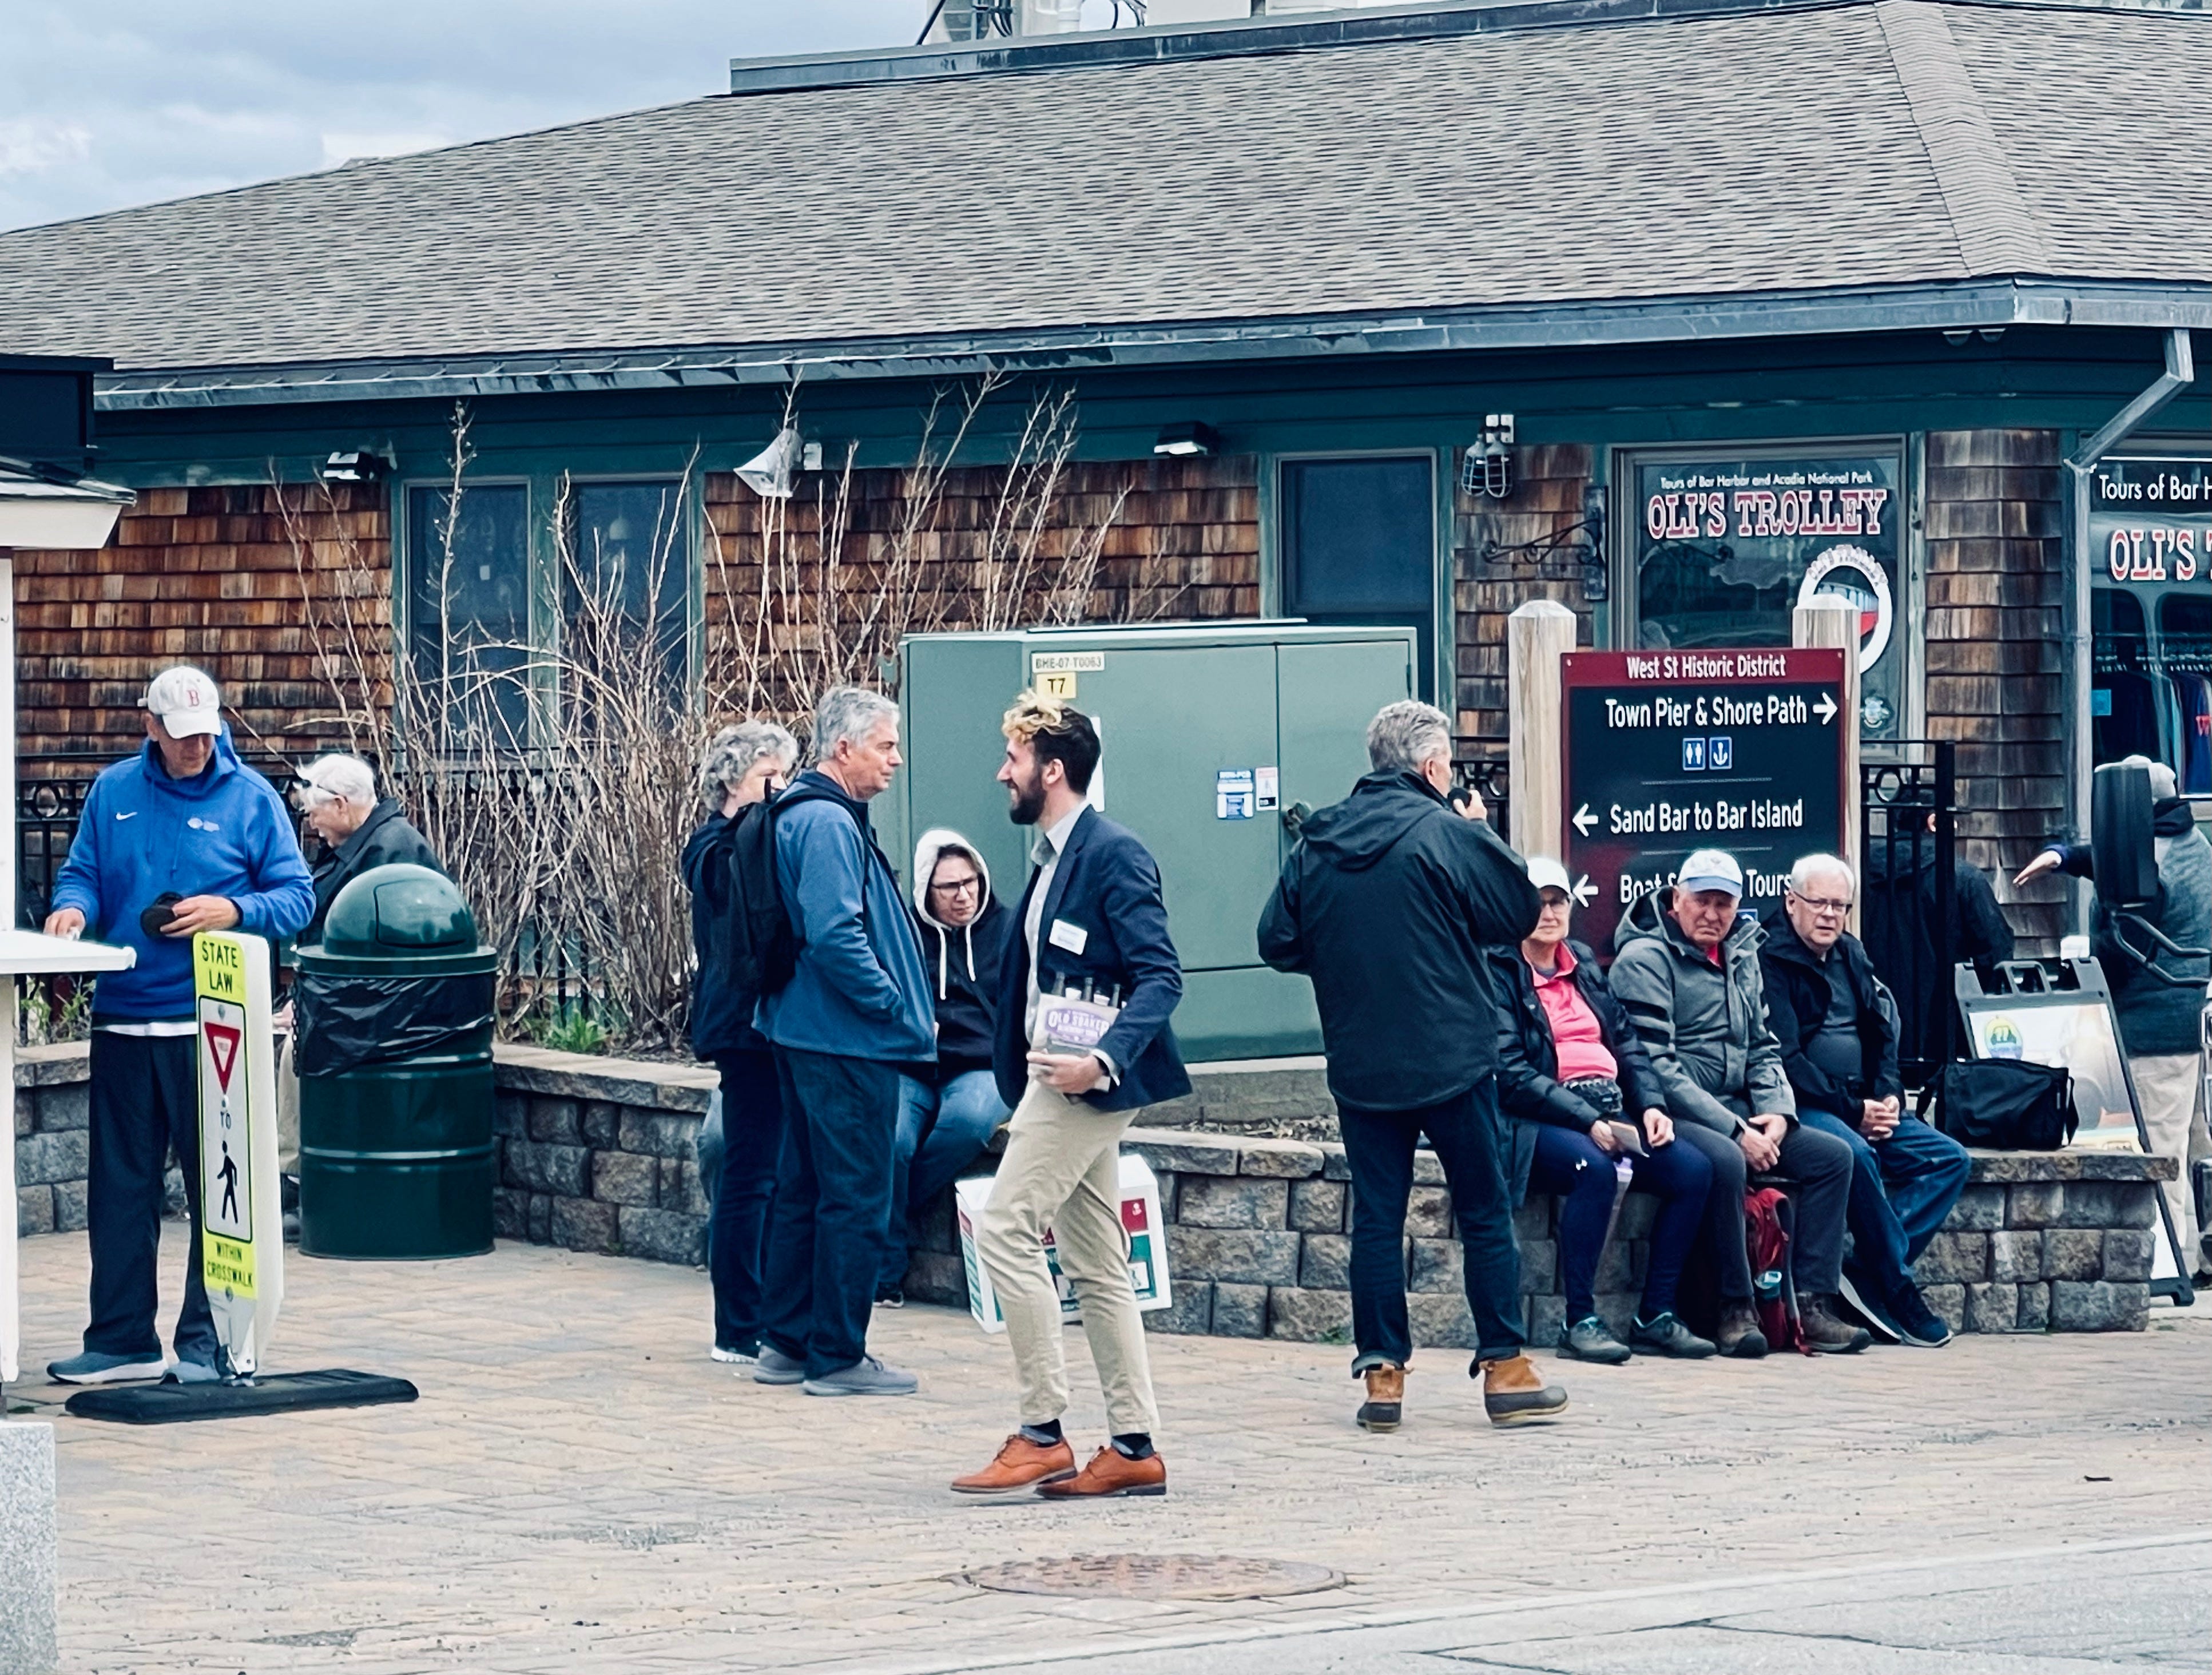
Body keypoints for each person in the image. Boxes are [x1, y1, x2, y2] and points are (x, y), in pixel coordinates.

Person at [1258, 699, 1566, 1435]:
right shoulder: (1445, 833)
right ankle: (1505, 1369)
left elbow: (1276, 939)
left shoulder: (1317, 842)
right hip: (1453, 1057)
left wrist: (1343, 962)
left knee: (1377, 1219)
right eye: (1449, 765)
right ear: (1431, 768)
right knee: (1484, 1211)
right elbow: (1519, 910)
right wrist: (1479, 829)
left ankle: (1383, 1377)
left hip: (1362, 1062)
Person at [43, 666, 316, 1386]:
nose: (198, 746)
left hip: (212, 1026)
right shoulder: (113, 793)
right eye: (183, 734)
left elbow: (297, 897)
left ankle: (206, 1344)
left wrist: (236, 911)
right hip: (124, 1018)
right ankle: (120, 1339)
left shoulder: (251, 798)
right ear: (151, 726)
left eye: (207, 732)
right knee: (120, 1190)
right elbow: (82, 874)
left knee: (217, 1191)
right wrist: (72, 910)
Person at [953, 692, 1188, 1499]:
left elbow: (1161, 977)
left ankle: (1041, 1432)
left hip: (1082, 1084)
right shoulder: (1054, 856)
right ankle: (1133, 1445)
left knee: (1005, 1229)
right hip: (1056, 1077)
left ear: (1051, 770)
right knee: (1096, 1262)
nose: (1002, 774)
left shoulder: (1112, 854)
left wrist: (1102, 1063)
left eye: (1013, 760)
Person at [1609, 849, 1868, 1356]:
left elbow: (1764, 1047)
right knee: (1727, 1160)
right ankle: (1735, 1308)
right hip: (1671, 1113)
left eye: (1723, 904)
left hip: (1743, 1107)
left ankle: (1812, 1305)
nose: (1712, 914)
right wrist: (1735, 1130)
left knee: (1833, 1157)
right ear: (1676, 900)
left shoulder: (1743, 954)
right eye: (1701, 901)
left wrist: (1778, 1112)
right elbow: (1657, 1066)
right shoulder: (1642, 959)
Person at [750, 689, 935, 1398]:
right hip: (846, 1037)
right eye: (886, 746)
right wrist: (889, 1004)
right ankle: (836, 1356)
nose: (897, 759)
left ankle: (788, 1342)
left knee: (804, 1186)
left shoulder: (804, 813)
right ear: (844, 748)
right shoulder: (827, 822)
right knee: (857, 1194)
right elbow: (835, 934)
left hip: (807, 1030)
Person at [1490, 858, 1718, 1364]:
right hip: (1537, 1121)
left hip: (1608, 1110)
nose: (1549, 913)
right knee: (1592, 1168)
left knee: (1693, 1170)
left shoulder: (1583, 965)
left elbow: (1628, 1043)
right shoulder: (1499, 971)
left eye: (1558, 901)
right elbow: (1511, 1073)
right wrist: (1585, 1120)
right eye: (1536, 903)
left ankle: (1655, 1315)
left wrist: (1652, 1105)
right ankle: (1578, 1321)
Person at [1761, 854, 1969, 1348]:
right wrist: (1853, 1112)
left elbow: (1881, 1036)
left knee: (1949, 1159)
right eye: (1819, 903)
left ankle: (1867, 1269)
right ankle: (1896, 1287)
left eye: (1839, 906)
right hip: (1806, 1103)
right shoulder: (1769, 959)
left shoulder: (1850, 953)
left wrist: (1888, 1094)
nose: (1829, 915)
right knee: (1853, 1154)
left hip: (1864, 1100)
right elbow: (1785, 1058)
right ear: (1791, 901)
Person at [2015, 756, 2212, 1274]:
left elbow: (2123, 954)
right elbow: (2117, 859)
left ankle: (2164, 1268)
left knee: (2160, 1153)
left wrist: (2080, 966)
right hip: (2190, 1024)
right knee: (2195, 1148)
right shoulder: (2192, 844)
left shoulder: (2153, 870)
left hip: (2152, 1030)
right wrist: (2062, 856)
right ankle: (2199, 1255)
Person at [682, 720, 799, 1364]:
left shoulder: (757, 835)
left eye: (785, 775)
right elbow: (730, 890)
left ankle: (765, 1315)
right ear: (732, 782)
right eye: (767, 777)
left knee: (768, 1171)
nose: (780, 789)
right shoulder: (715, 848)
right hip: (742, 1027)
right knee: (750, 1173)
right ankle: (738, 1326)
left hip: (764, 1023)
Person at [877, 829, 1013, 1308]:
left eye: (970, 882)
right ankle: (884, 1276)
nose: (963, 895)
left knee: (970, 1121)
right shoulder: (902, 936)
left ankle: (890, 1215)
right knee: (891, 1140)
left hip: (980, 1064)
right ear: (925, 892)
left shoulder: (1008, 929)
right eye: (949, 887)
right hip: (914, 1065)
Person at [1861, 808, 2015, 1065]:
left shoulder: (1862, 870)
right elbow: (1996, 953)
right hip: (1943, 1031)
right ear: (1933, 822)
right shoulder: (1961, 877)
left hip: (1875, 1021)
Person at [294, 753, 444, 946]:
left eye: (314, 813)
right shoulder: (371, 845)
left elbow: (401, 942)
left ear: (339, 805)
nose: (312, 824)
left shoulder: (393, 851)